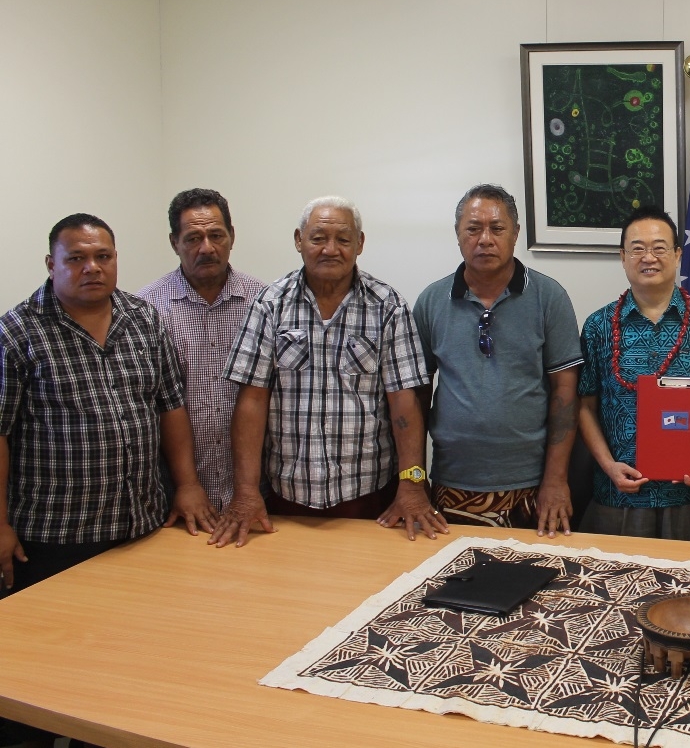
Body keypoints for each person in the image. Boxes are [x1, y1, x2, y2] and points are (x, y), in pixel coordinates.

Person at [210, 197, 443, 547]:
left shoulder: (388, 306)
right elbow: (252, 401)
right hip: (286, 497)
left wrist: (412, 484)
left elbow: (404, 403)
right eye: (318, 238)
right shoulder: (270, 304)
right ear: (298, 240)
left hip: (370, 497)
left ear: (359, 243)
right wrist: (245, 491)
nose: (330, 249)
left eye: (343, 239)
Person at [1, 214, 216, 594]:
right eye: (76, 258)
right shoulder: (17, 333)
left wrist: (187, 484)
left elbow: (171, 406)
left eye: (103, 256)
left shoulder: (143, 319)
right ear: (51, 264)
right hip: (56, 537)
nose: (92, 268)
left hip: (143, 523)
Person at [412, 184, 582, 537]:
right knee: (454, 568)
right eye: (473, 229)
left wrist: (556, 480)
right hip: (453, 482)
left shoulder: (549, 297)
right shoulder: (432, 301)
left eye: (497, 228)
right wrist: (413, 479)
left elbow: (565, 393)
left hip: (532, 486)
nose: (485, 239)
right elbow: (415, 396)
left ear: (515, 233)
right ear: (458, 234)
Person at [577, 209, 690, 540]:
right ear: (623, 257)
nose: (649, 257)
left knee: (687, 573)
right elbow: (585, 406)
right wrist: (609, 466)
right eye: (638, 248)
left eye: (659, 248)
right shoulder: (598, 326)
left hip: (688, 491)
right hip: (619, 492)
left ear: (677, 255)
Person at [138, 189, 265, 511]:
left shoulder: (265, 302)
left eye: (216, 235)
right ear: (174, 243)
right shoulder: (146, 309)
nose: (206, 248)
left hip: (258, 492)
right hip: (175, 495)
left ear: (232, 236)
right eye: (193, 238)